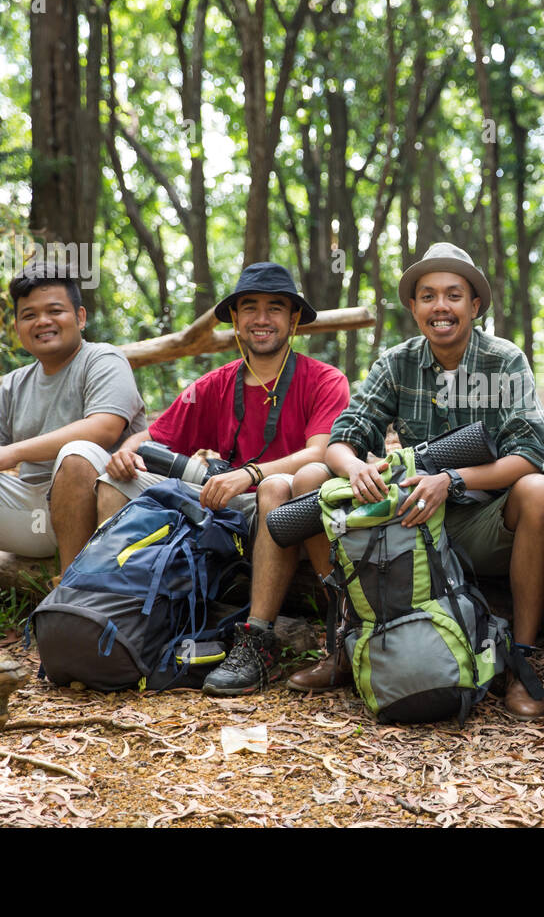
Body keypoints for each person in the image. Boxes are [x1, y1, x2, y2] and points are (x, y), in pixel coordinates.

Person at [285, 241, 544, 718]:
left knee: (537, 492)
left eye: (454, 295)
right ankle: (350, 644)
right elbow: (341, 439)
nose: (440, 307)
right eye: (428, 295)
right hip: (406, 523)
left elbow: (531, 456)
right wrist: (357, 468)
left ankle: (521, 661)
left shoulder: (503, 360)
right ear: (413, 307)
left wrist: (449, 479)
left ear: (474, 306)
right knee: (312, 478)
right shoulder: (398, 363)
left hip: (479, 520)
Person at [82, 263, 349, 697]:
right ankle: (110, 612)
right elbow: (153, 437)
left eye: (275, 308)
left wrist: (251, 472)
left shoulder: (324, 379)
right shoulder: (215, 384)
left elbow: (321, 451)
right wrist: (125, 456)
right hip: (226, 512)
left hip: (298, 513)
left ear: (293, 319)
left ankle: (257, 640)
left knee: (275, 487)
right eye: (250, 309)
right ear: (236, 321)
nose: (261, 319)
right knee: (118, 481)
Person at [0, 262, 148, 658]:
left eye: (55, 310)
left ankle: (73, 603)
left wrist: (13, 452)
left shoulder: (103, 360)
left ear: (80, 316)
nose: (43, 322)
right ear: (18, 327)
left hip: (101, 515)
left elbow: (104, 429)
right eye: (29, 315)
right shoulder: (16, 382)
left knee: (78, 454)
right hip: (37, 514)